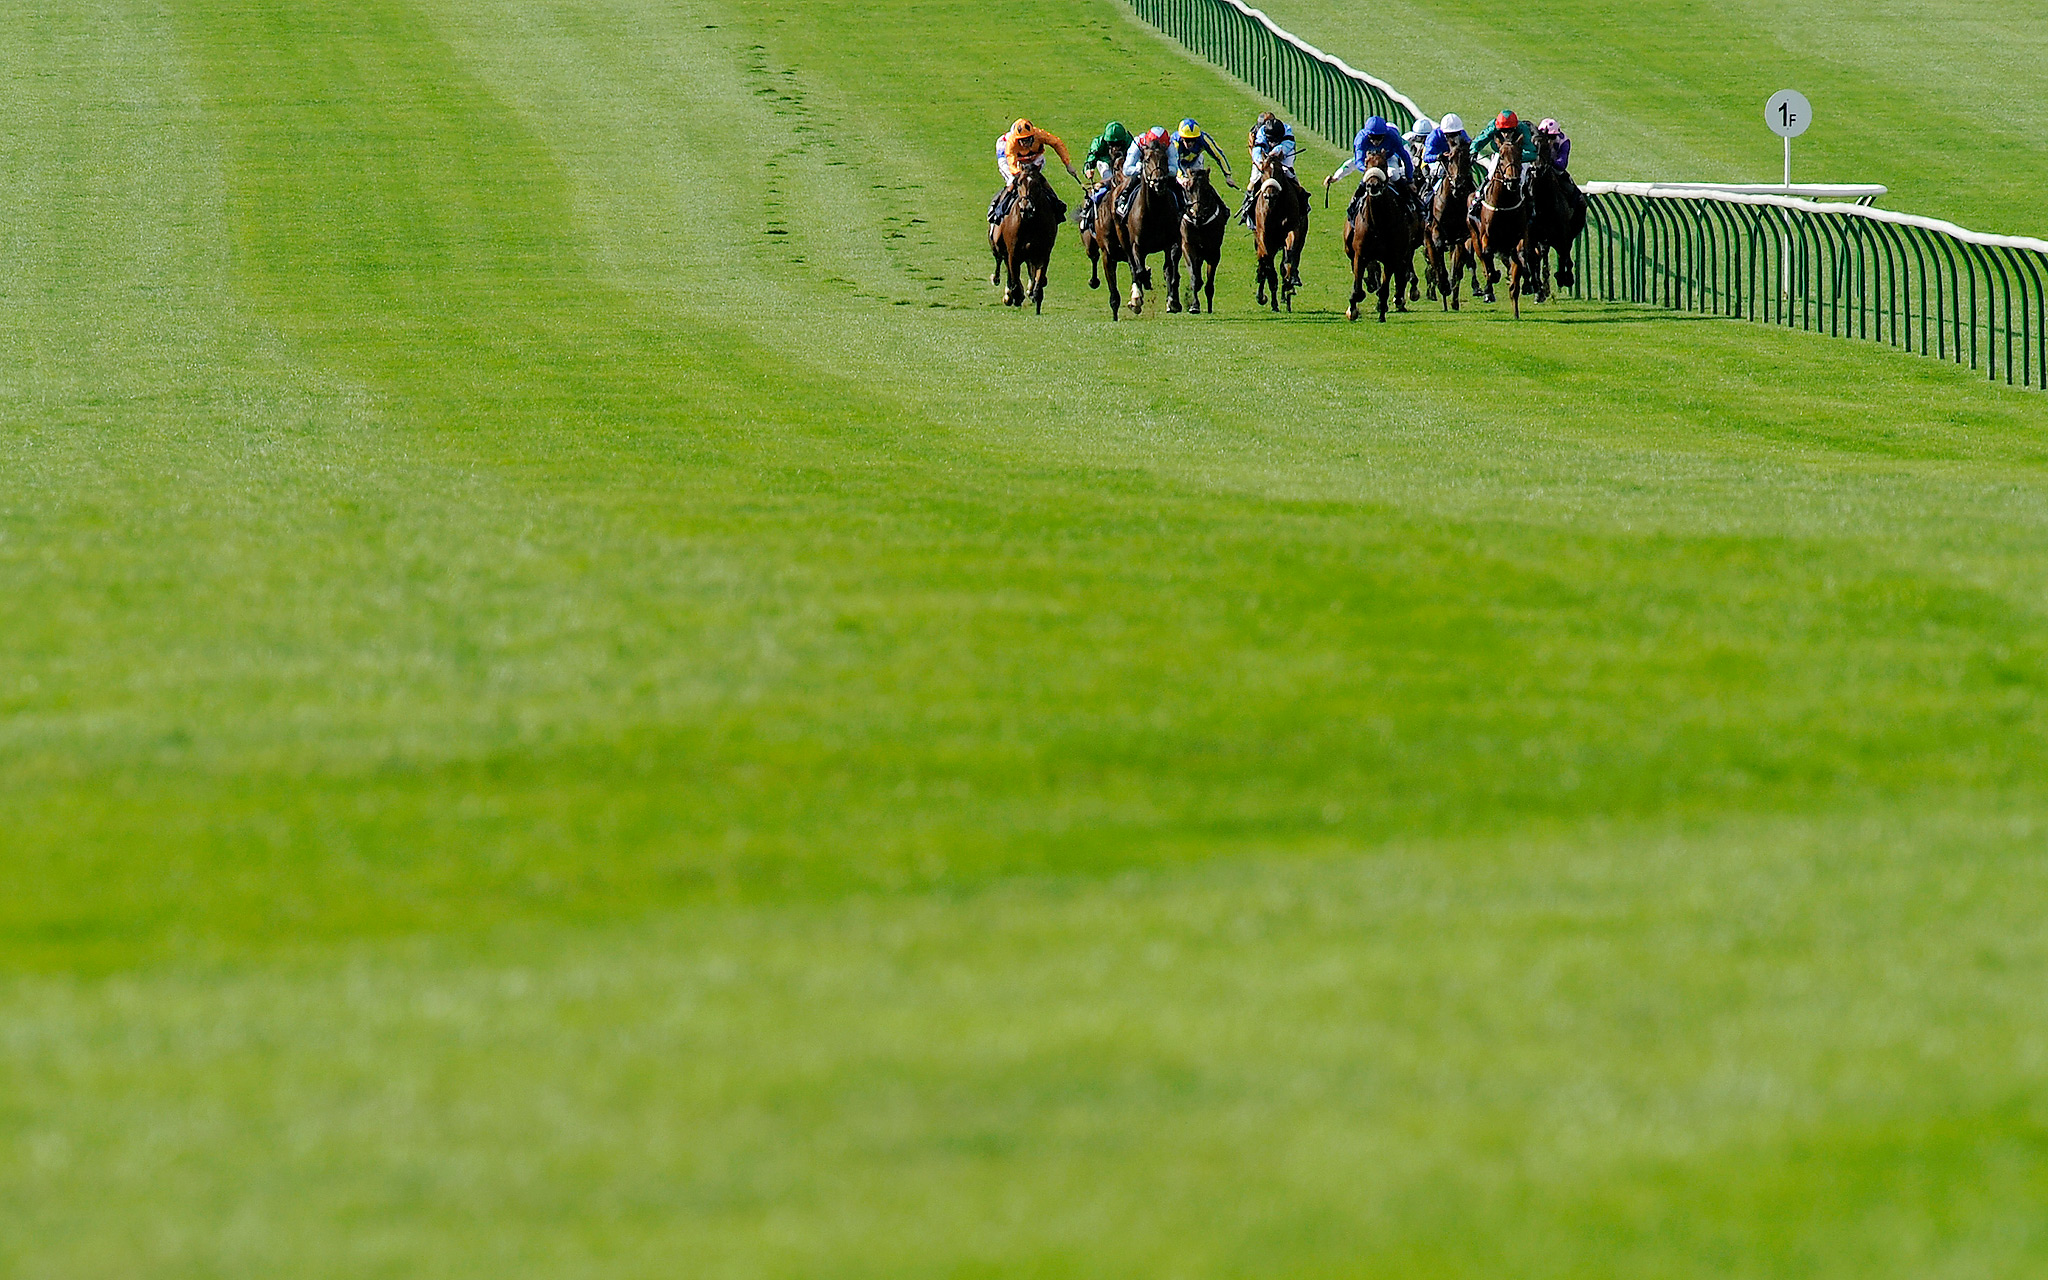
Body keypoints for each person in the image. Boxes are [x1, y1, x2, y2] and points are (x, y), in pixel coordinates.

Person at [989, 118, 1082, 223]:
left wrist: (1067, 164)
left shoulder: (1039, 134)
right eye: (1022, 140)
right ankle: (997, 208)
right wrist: (1019, 175)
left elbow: (1057, 143)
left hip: (1033, 157)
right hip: (1010, 158)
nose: (1025, 143)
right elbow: (1011, 162)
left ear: (1033, 136)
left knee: (1035, 179)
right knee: (1012, 181)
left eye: (1028, 140)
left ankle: (1056, 204)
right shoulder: (1010, 143)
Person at [1325, 115, 1418, 218]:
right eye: (1372, 138)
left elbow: (1406, 158)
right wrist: (1336, 177)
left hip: (1388, 159)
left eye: (1379, 137)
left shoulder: (1392, 136)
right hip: (1369, 161)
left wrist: (1410, 181)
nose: (1376, 141)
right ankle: (1353, 207)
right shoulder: (1361, 139)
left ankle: (1410, 203)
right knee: (1366, 180)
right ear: (1367, 135)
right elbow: (1357, 162)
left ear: (1385, 134)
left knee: (1393, 174)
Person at [1237, 111, 1304, 225]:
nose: (1272, 143)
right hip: (1264, 156)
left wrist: (1276, 151)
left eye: (1275, 140)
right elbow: (1257, 148)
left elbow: (1287, 144)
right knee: (1254, 178)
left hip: (1285, 155)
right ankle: (1246, 208)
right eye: (1271, 141)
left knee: (1289, 173)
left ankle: (1303, 204)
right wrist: (1260, 162)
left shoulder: (1287, 129)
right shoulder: (1261, 131)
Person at [1114, 125, 1182, 219]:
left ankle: (1182, 206)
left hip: (1163, 173)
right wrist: (1141, 169)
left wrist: (1162, 171)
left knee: (1176, 186)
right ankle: (1123, 202)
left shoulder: (1170, 145)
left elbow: (1174, 169)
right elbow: (1127, 169)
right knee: (1132, 181)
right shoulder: (1139, 143)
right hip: (1142, 172)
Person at [1080, 120, 1135, 225]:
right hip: (1105, 162)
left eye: (1118, 144)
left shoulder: (1129, 141)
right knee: (1108, 181)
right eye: (1112, 144)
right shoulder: (1098, 143)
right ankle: (1088, 207)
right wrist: (1088, 169)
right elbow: (1091, 158)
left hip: (1123, 163)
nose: (1115, 148)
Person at [1172, 118, 1237, 201]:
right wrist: (1182, 177)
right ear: (1182, 138)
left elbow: (1219, 155)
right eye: (1187, 140)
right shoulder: (1175, 142)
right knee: (1181, 186)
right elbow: (1174, 161)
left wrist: (1227, 175)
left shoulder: (1204, 139)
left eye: (1193, 140)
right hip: (1178, 164)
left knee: (1199, 186)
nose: (1190, 144)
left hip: (1195, 162)